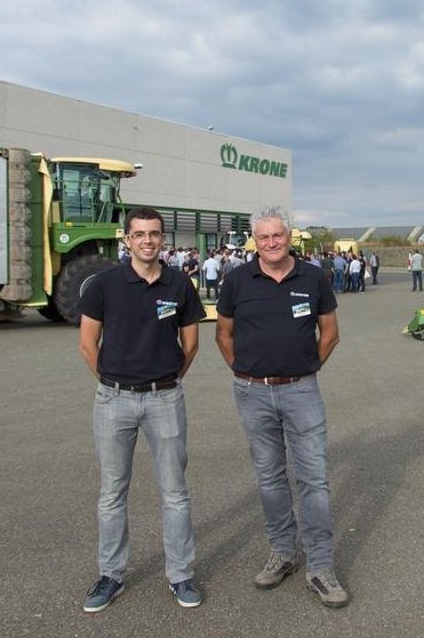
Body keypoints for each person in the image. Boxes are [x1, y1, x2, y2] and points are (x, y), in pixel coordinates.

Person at [215, 205, 349, 609]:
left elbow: (330, 333)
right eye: (264, 237)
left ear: (289, 237)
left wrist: (304, 370)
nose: (272, 243)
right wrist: (244, 372)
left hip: (301, 391)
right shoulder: (237, 279)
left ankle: (321, 566)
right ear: (255, 240)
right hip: (253, 393)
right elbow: (224, 334)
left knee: (314, 481)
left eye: (279, 235)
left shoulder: (313, 277)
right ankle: (283, 553)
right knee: (270, 479)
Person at [77, 207, 204, 613]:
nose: (147, 240)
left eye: (154, 234)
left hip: (165, 398)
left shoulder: (180, 285)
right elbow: (87, 344)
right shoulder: (104, 285)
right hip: (114, 400)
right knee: (112, 493)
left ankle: (181, 574)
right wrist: (115, 380)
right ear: (127, 239)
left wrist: (164, 379)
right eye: (139, 234)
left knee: (175, 493)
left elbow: (191, 344)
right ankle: (110, 575)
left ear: (163, 239)